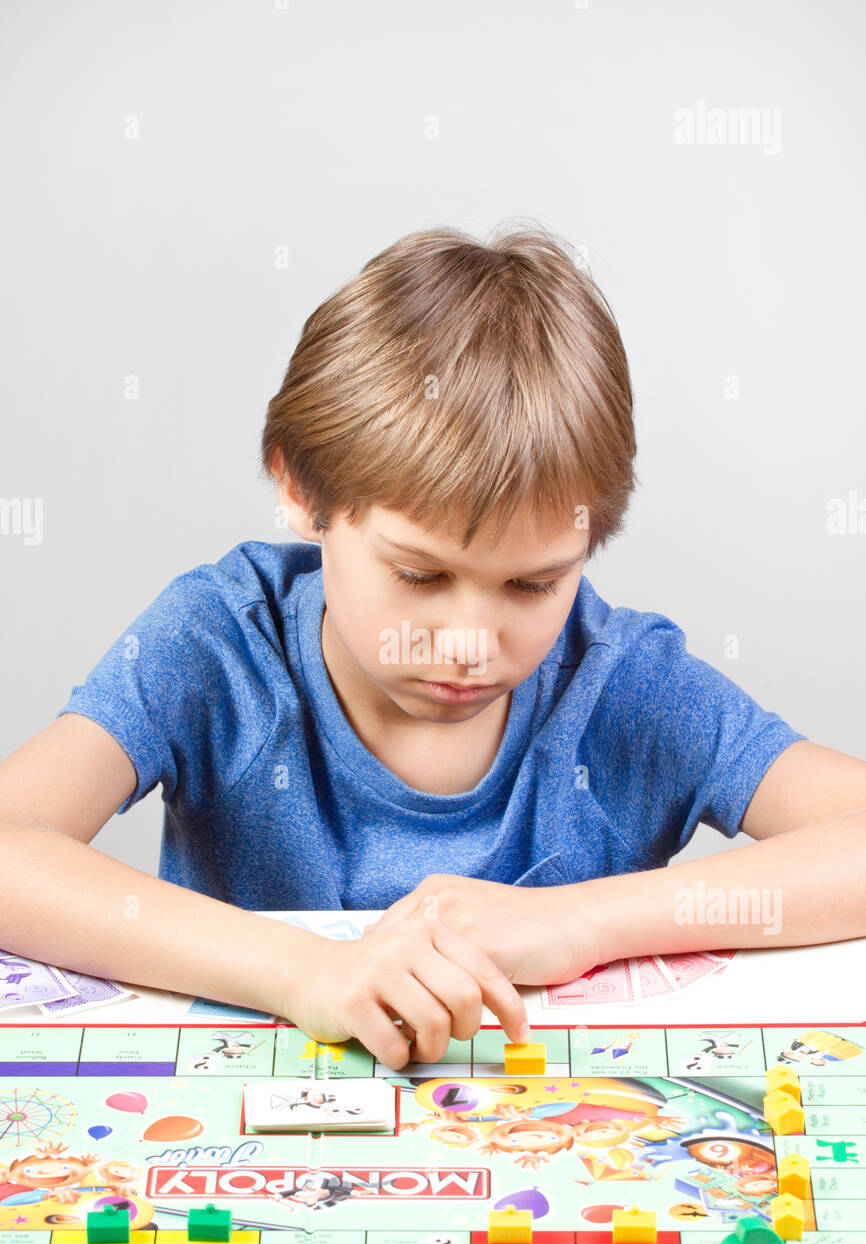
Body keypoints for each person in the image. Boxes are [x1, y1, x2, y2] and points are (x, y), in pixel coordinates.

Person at [2, 223, 865, 1069]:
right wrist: (306, 971)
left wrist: (582, 922)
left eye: (532, 586)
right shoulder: (219, 641)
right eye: (419, 576)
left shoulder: (623, 684)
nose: (469, 645)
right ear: (302, 494)